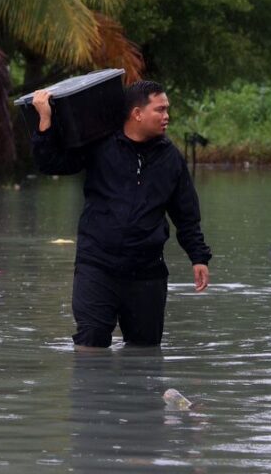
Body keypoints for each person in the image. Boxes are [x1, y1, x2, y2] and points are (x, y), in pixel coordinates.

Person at [30, 79, 211, 349]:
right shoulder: (99, 146)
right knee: (90, 339)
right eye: (160, 110)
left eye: (166, 110)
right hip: (97, 265)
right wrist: (45, 121)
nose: (167, 117)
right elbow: (52, 164)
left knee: (145, 351)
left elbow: (186, 214)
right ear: (137, 114)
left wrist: (198, 257)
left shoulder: (171, 159)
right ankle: (89, 392)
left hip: (147, 272)